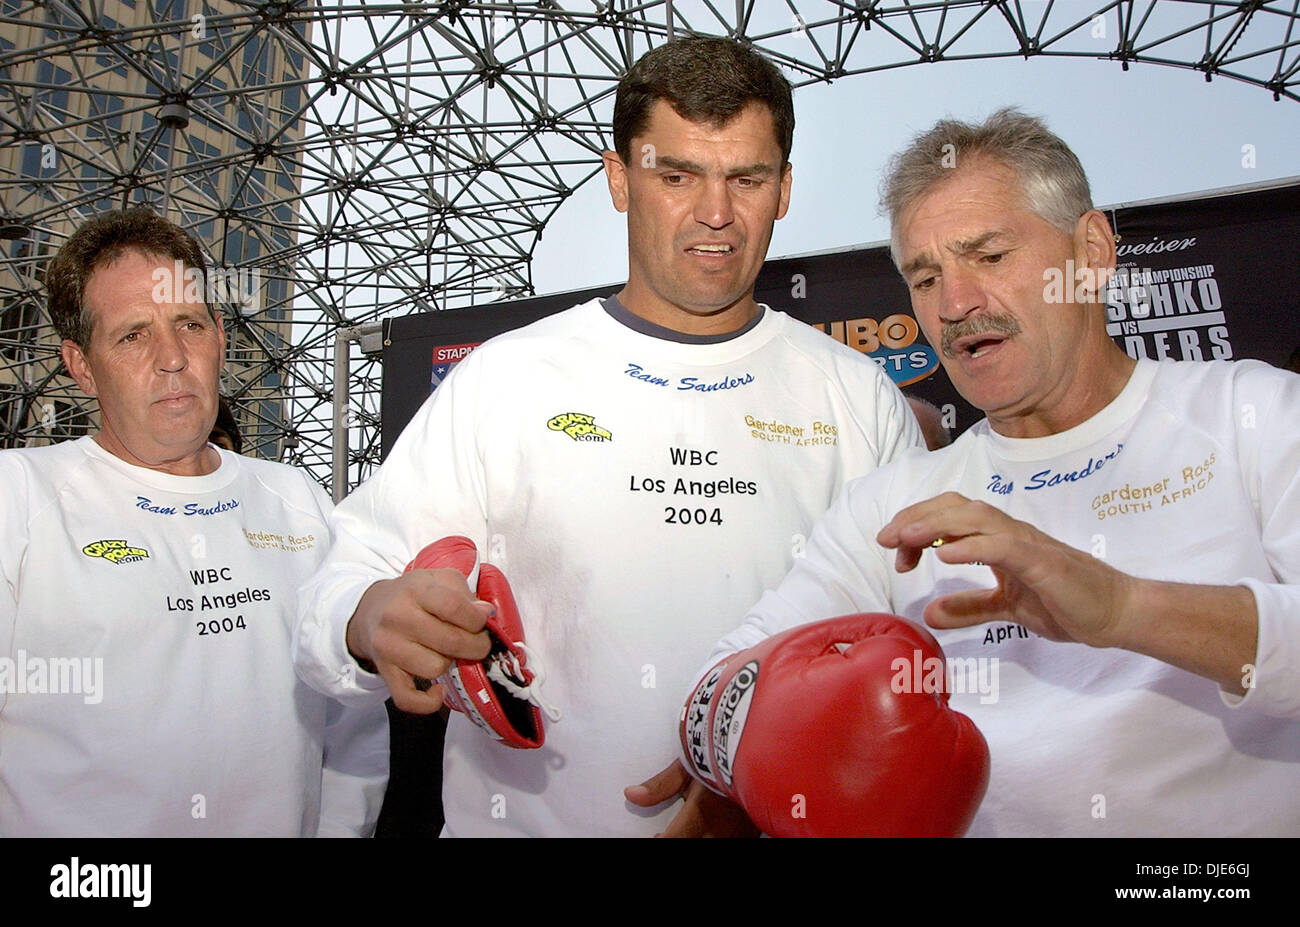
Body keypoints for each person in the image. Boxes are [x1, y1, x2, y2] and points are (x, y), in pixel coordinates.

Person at [294, 36, 922, 837]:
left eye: (746, 178)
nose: (717, 213)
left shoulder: (857, 398)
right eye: (677, 176)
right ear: (620, 180)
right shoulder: (506, 380)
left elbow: (919, 639)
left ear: (785, 187)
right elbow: (338, 585)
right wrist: (369, 612)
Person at [652, 107, 1300, 837]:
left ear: (1091, 251)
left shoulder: (1258, 415)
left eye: (989, 256)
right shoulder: (895, 506)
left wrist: (1124, 609)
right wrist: (763, 754)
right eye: (925, 277)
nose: (955, 304)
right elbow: (723, 682)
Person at [0, 209, 389, 836]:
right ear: (81, 364)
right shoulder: (17, 499)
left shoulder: (295, 499)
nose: (173, 358)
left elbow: (351, 725)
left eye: (189, 324)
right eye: (132, 336)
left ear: (218, 335)